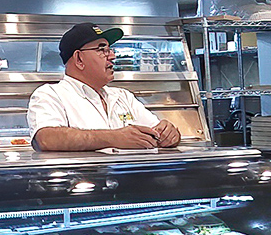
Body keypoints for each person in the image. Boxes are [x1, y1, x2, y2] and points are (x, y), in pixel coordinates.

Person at [28, 23, 181, 152]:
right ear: (79, 58)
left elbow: (156, 131)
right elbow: (46, 139)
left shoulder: (123, 96)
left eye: (110, 49)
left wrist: (169, 134)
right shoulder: (51, 95)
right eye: (102, 50)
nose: (112, 56)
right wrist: (114, 137)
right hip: (80, 183)